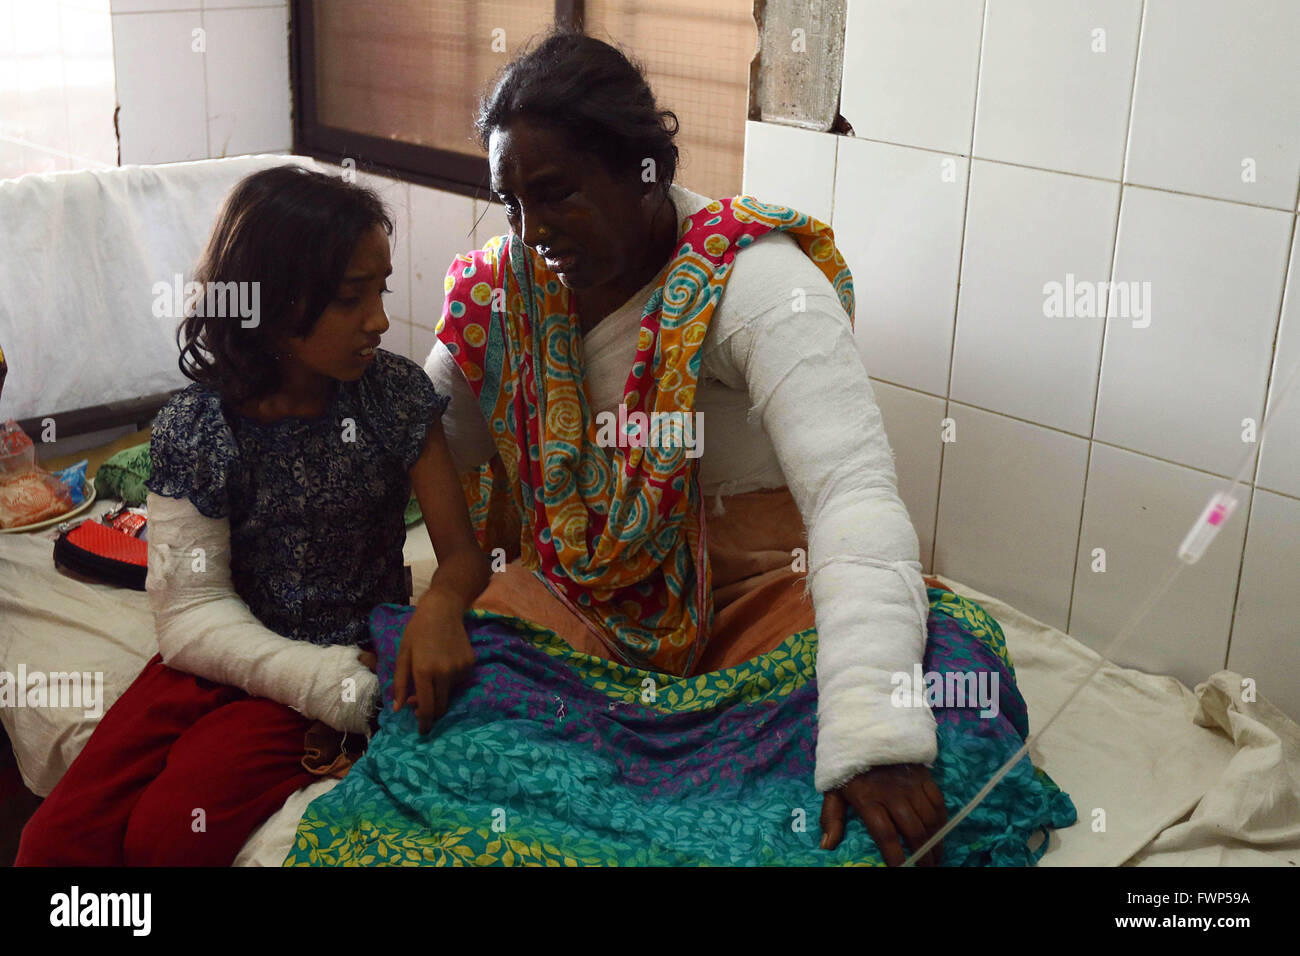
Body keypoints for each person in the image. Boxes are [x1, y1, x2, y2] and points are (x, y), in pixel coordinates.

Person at [425, 31, 947, 865]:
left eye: (556, 194)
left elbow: (851, 493)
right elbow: (422, 445)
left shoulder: (759, 280)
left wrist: (873, 735)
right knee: (447, 730)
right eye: (510, 201)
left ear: (646, 173)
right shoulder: (502, 292)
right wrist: (437, 594)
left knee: (948, 714)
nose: (532, 229)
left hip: (764, 600)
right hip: (574, 595)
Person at [16, 165, 490, 866]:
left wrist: (442, 605)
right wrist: (312, 680)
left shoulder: (394, 397)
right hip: (218, 657)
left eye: (380, 289)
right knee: (53, 845)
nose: (380, 320)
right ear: (268, 307)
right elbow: (192, 612)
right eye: (349, 298)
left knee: (169, 837)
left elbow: (461, 556)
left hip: (349, 654)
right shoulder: (198, 426)